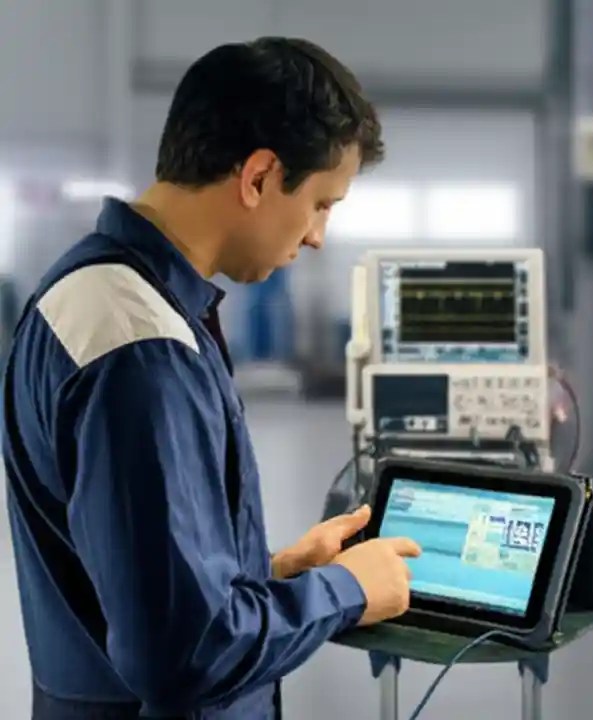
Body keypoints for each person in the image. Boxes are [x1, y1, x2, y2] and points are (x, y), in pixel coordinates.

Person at [1, 37, 424, 719]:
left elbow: (130, 577)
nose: (318, 235)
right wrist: (347, 588)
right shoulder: (140, 349)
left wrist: (272, 576)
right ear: (257, 176)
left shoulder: (91, 292)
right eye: (321, 203)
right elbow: (183, 656)